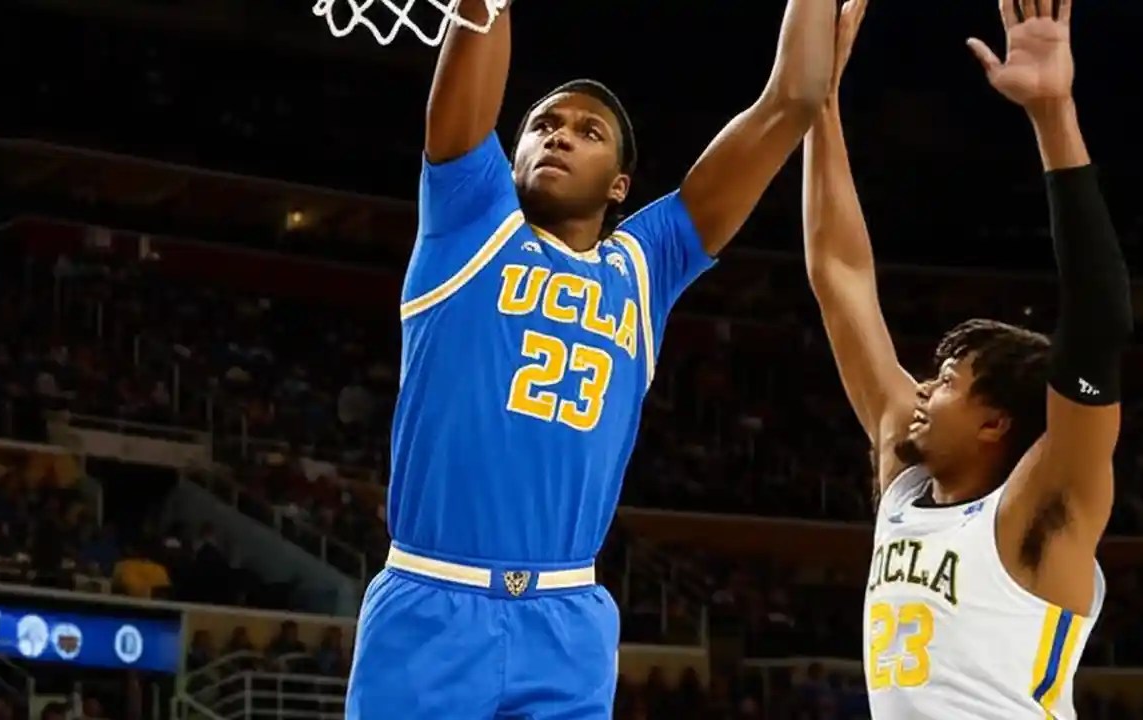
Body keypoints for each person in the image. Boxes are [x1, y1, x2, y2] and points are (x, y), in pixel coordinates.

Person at [345, 1, 837, 718]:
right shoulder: (466, 222)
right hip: (431, 602)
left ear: (620, 184)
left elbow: (791, 99)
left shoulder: (648, 263)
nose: (558, 137)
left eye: (587, 131)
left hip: (568, 617)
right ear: (509, 157)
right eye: (542, 125)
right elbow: (477, 33)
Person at [802, 0, 1131, 717]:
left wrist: (1053, 115)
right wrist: (818, 102)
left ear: (995, 425)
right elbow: (840, 277)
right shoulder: (907, 481)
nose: (921, 389)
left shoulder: (1043, 509)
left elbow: (1099, 322)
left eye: (948, 382)